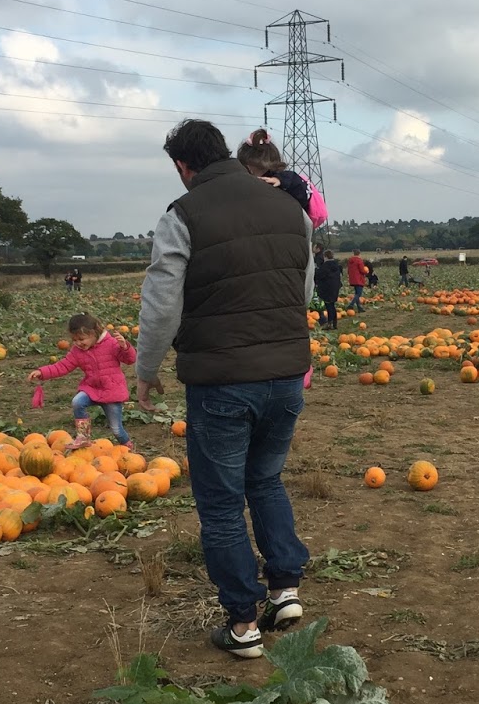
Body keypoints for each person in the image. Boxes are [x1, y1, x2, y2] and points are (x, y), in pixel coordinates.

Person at [136, 118, 314, 660]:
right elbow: (301, 287)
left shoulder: (182, 214)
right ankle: (285, 590)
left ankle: (242, 623)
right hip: (286, 374)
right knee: (266, 480)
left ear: (183, 166)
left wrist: (146, 370)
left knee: (218, 504)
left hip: (222, 382)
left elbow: (163, 304)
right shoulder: (291, 208)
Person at [28, 313, 136, 449]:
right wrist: (42, 372)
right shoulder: (77, 351)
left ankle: (127, 446)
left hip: (112, 391)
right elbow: (62, 366)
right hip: (92, 388)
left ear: (94, 333)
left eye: (81, 339)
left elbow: (130, 359)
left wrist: (125, 347)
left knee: (116, 429)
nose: (78, 343)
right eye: (75, 340)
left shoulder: (111, 344)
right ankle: (83, 436)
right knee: (77, 402)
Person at [237, 129, 329, 228]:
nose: (254, 173)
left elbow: (301, 190)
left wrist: (280, 180)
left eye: (260, 168)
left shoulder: (288, 179)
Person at [315, 249, 342, 328]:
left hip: (326, 288)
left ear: (325, 256)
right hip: (335, 287)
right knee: (332, 305)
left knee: (328, 306)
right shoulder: (336, 265)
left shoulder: (325, 266)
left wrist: (316, 271)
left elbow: (319, 276)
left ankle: (330, 323)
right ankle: (334, 323)